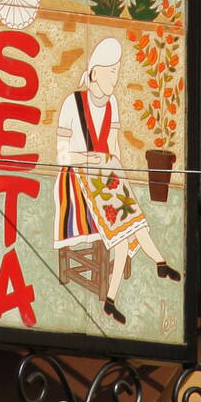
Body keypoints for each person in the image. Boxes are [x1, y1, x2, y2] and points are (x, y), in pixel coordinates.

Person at [52, 35, 180, 325]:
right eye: (112, 71)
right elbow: (61, 156)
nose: (116, 77)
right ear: (95, 72)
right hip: (78, 183)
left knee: (135, 220)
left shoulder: (112, 104)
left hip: (107, 181)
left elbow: (115, 149)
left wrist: (123, 178)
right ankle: (154, 267)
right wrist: (90, 159)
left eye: (118, 71)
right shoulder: (73, 104)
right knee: (123, 235)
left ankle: (140, 278)